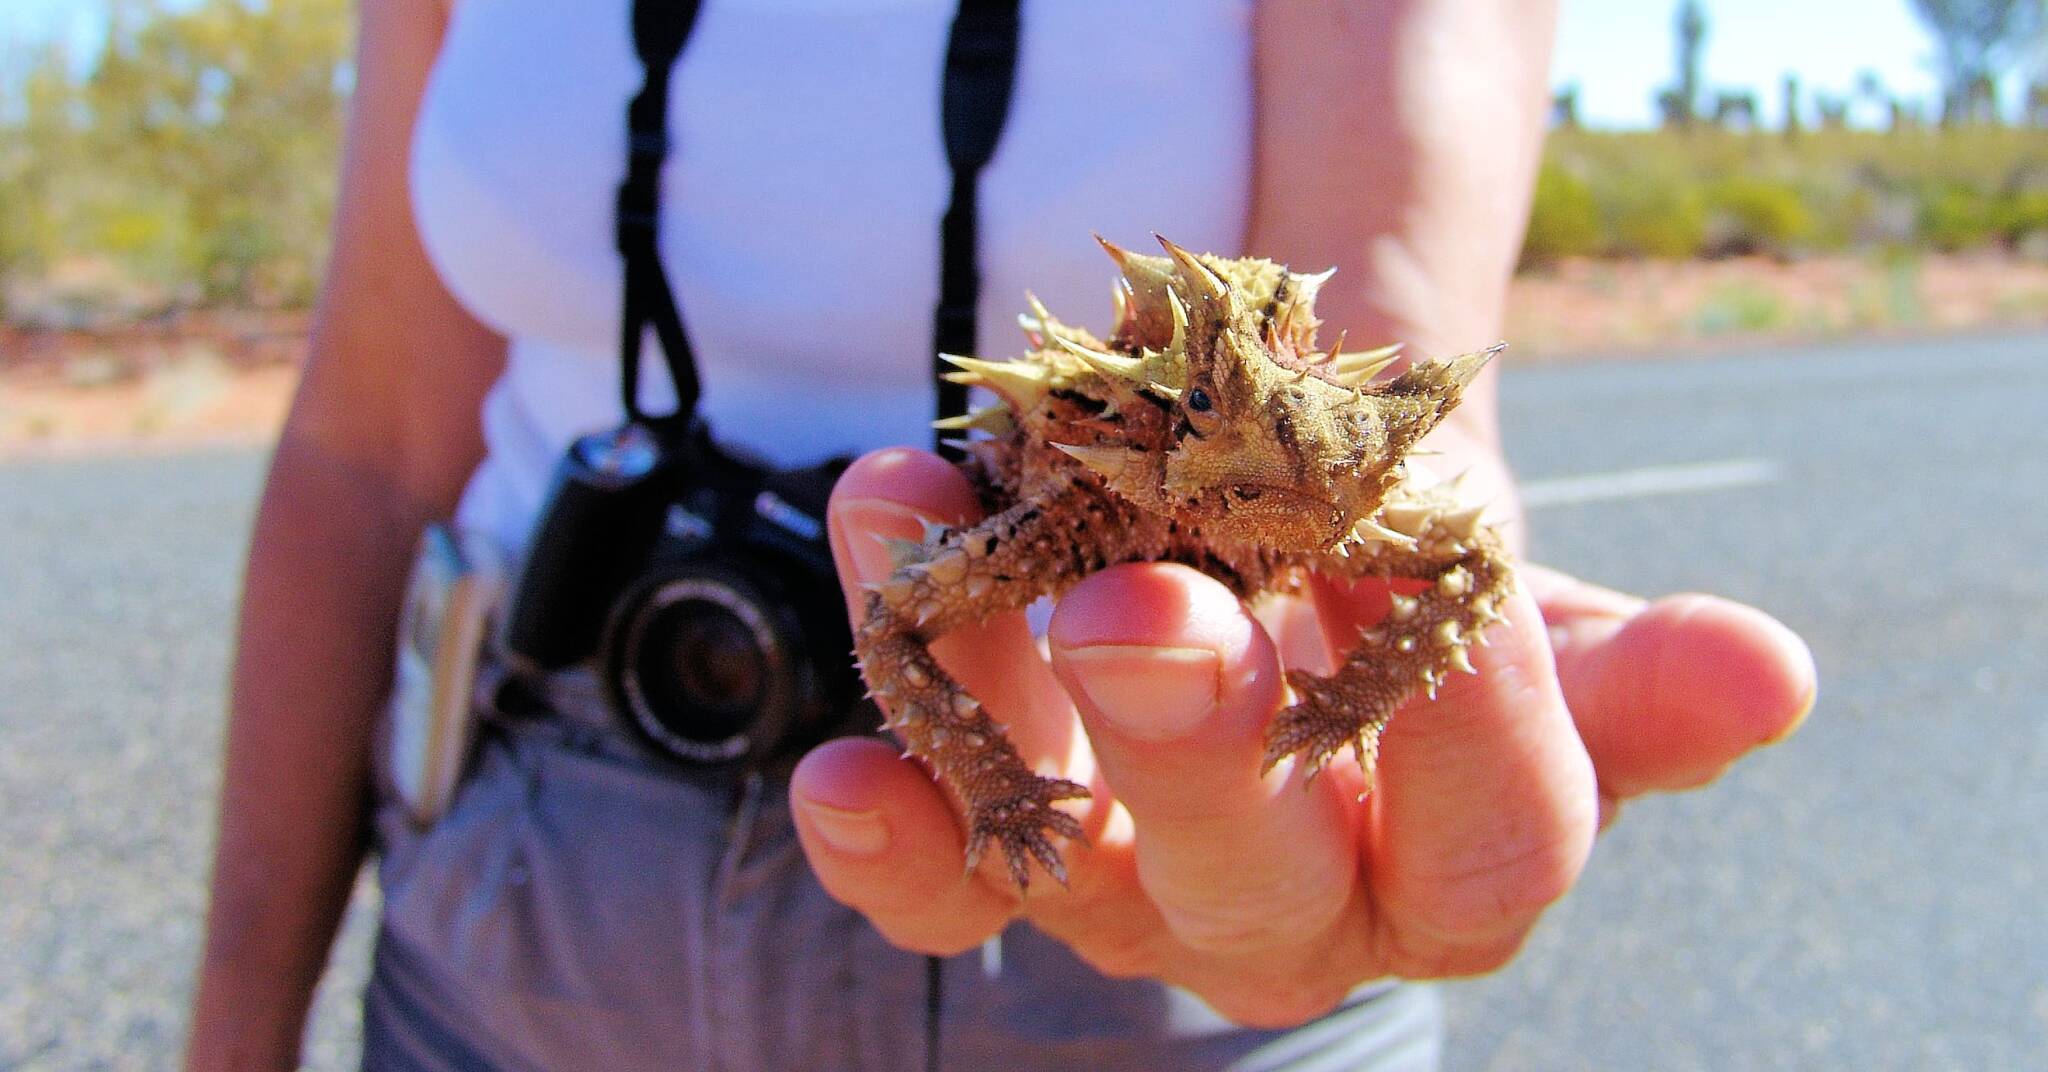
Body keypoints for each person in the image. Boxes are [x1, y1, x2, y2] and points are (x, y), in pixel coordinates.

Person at [184, 0, 1817, 1068]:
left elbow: (1419, 418)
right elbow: (364, 452)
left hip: (1145, 913)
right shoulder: (1068, 496)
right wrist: (238, 1032)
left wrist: (1345, 713)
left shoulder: (1299, 467)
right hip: (525, 893)